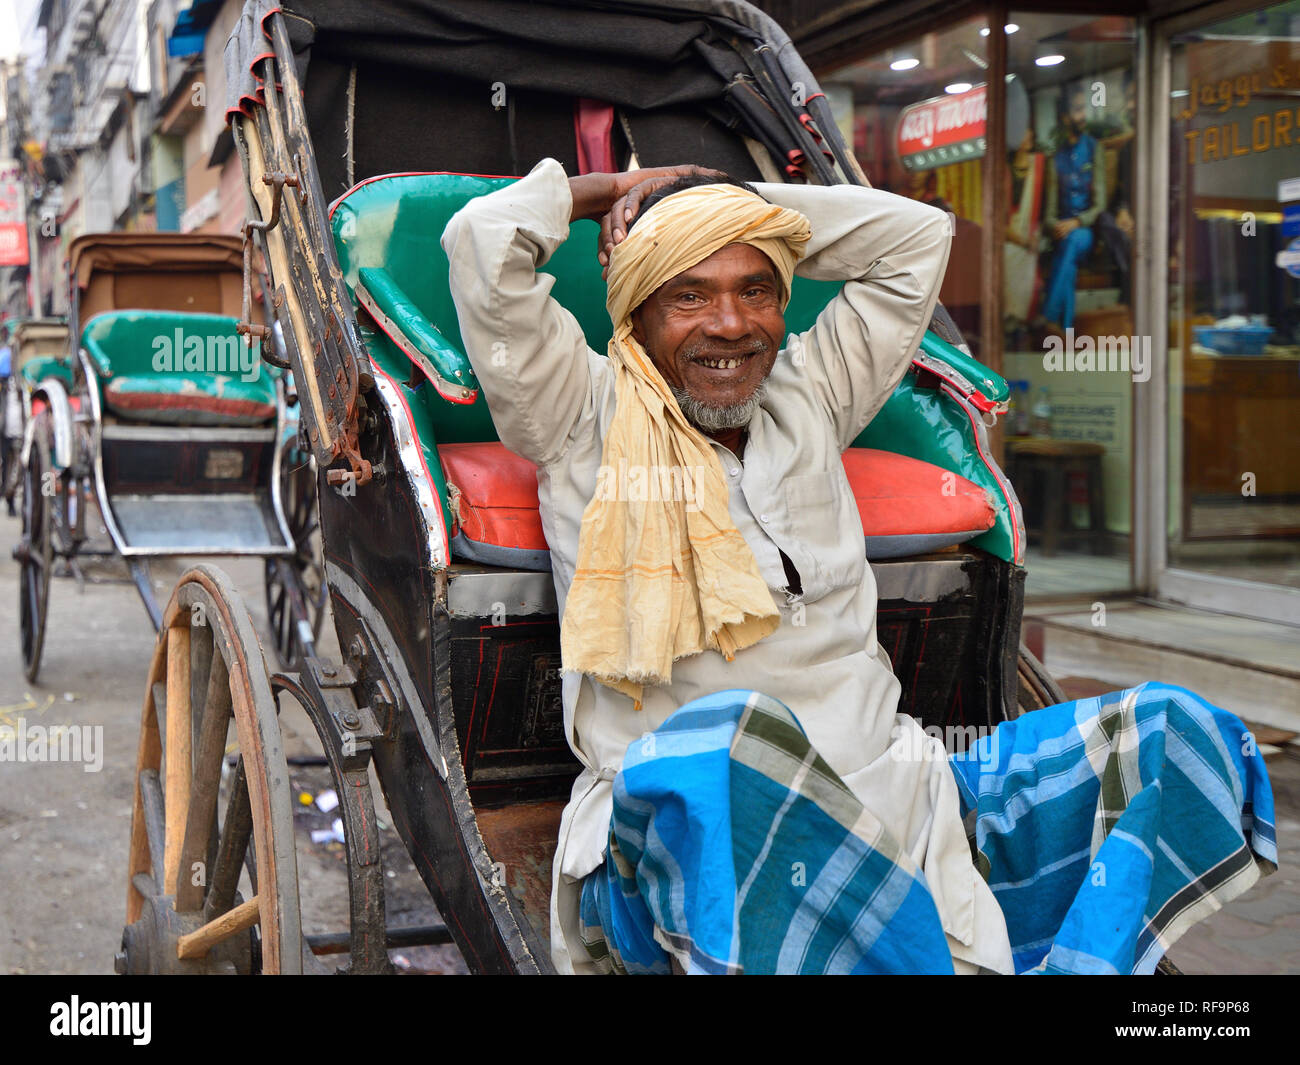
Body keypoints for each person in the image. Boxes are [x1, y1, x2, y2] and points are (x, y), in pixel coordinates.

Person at [443, 160, 1275, 974]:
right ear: (637, 313)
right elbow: (482, 239)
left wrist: (729, 202)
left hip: (903, 803)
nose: (730, 324)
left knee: (1173, 731)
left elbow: (917, 236)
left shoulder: (813, 391)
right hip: (699, 834)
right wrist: (617, 193)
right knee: (727, 745)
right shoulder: (573, 411)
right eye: (688, 294)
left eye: (756, 289)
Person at [1041, 84, 1106, 330]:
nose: (1083, 116)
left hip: (1087, 231)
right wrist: (1055, 226)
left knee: (1070, 243)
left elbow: (1099, 205)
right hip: (1063, 232)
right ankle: (1063, 332)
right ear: (1065, 117)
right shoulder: (1056, 158)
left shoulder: (1094, 148)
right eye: (1078, 110)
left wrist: (1076, 222)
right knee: (1066, 257)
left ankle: (1048, 316)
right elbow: (1048, 213)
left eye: (1084, 109)